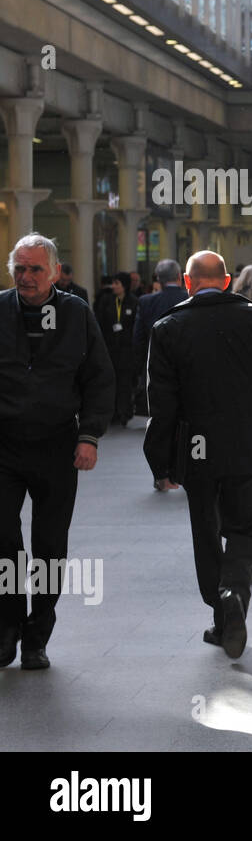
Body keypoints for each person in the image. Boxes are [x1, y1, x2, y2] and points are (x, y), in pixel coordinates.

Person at [143, 250, 252, 659]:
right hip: (250, 447)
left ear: (188, 283)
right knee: (246, 528)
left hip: (197, 452)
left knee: (206, 532)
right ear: (227, 281)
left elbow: (162, 404)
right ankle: (233, 594)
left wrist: (160, 461)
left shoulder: (168, 327)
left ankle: (220, 612)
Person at [0, 234, 114, 670]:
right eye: (20, 269)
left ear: (54, 272)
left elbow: (99, 379)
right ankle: (7, 625)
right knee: (2, 539)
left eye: (35, 269)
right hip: (4, 445)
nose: (26, 277)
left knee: (49, 545)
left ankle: (37, 634)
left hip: (56, 446)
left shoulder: (75, 314)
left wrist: (89, 436)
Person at [94, 272, 140, 427]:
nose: (113, 286)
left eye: (117, 283)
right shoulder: (106, 301)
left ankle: (124, 412)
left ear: (124, 286)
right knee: (110, 381)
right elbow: (100, 323)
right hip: (109, 349)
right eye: (113, 283)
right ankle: (111, 413)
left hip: (126, 351)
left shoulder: (134, 302)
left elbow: (135, 326)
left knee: (125, 382)